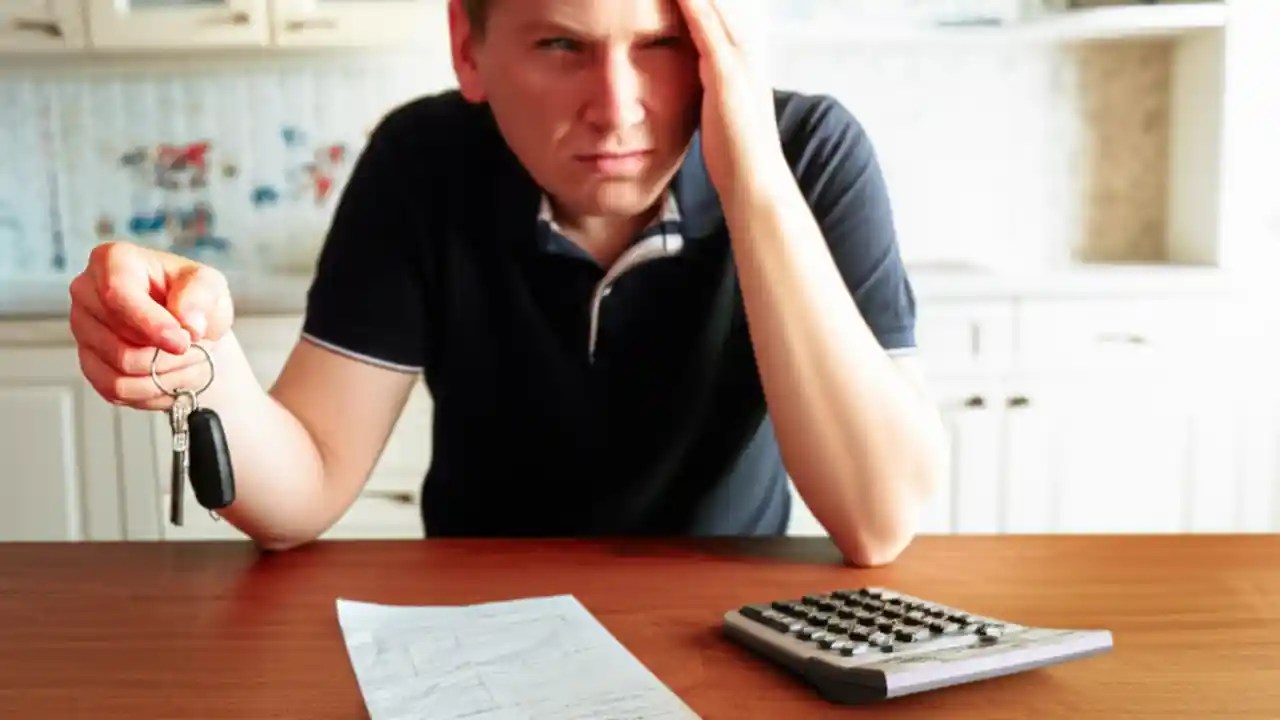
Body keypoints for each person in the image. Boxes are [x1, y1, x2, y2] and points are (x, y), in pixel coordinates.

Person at [67, 0, 947, 566]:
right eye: (564, 45)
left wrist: (752, 175)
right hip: (478, 630)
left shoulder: (810, 153)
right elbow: (303, 493)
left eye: (663, 45)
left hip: (728, 621)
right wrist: (204, 360)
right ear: (468, 49)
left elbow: (877, 522)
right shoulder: (423, 163)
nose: (618, 106)